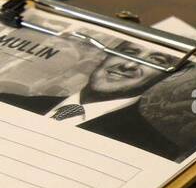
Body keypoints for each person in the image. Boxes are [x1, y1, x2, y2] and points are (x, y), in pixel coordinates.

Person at [0, 42, 179, 160]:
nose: (130, 65)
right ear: (105, 57)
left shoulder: (156, 150)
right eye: (129, 53)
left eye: (155, 61)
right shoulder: (8, 101)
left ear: (168, 77)